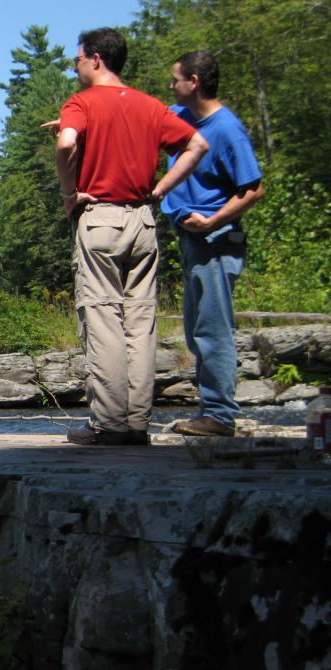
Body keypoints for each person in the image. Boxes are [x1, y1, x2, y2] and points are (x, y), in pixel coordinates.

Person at [54, 28, 210, 445]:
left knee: (103, 319)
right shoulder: (150, 106)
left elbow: (67, 143)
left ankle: (107, 424)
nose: (76, 65)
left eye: (78, 59)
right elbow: (197, 145)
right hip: (142, 221)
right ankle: (137, 423)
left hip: (100, 218)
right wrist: (161, 189)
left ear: (97, 58)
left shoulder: (81, 102)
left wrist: (69, 194)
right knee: (140, 323)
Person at [161, 51, 265, 437]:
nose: (171, 85)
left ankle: (219, 416)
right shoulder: (180, 117)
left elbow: (254, 188)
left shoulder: (227, 130)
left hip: (216, 241)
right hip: (190, 239)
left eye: (176, 79)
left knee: (212, 328)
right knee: (195, 327)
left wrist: (213, 221)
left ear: (196, 81)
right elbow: (137, 123)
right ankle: (212, 411)